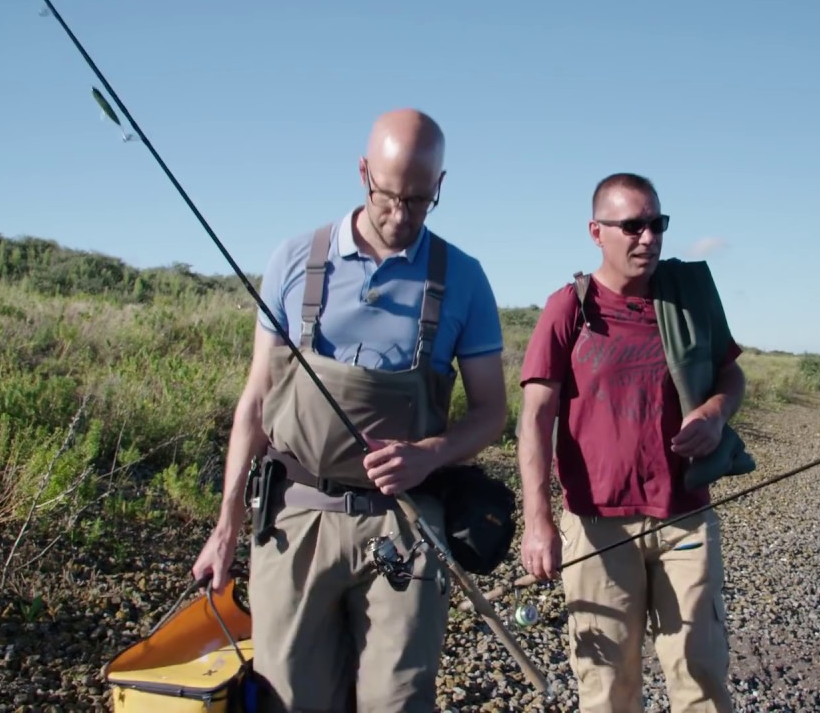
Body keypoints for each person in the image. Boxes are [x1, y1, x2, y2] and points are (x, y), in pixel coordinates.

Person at [190, 108, 508, 713]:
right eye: (388, 196)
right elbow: (256, 402)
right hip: (294, 520)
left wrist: (428, 456)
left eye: (419, 200)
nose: (401, 215)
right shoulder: (292, 260)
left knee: (398, 699)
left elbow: (490, 411)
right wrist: (227, 523)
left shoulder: (464, 278)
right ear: (363, 173)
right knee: (290, 696)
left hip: (407, 523)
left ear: (440, 186)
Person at [517, 172, 749, 712]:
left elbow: (730, 375)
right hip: (596, 525)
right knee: (607, 687)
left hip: (685, 516)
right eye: (633, 226)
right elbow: (534, 419)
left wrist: (715, 413)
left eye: (657, 225)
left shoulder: (685, 300)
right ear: (597, 232)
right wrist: (538, 522)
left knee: (702, 675)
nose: (648, 238)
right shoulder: (568, 308)